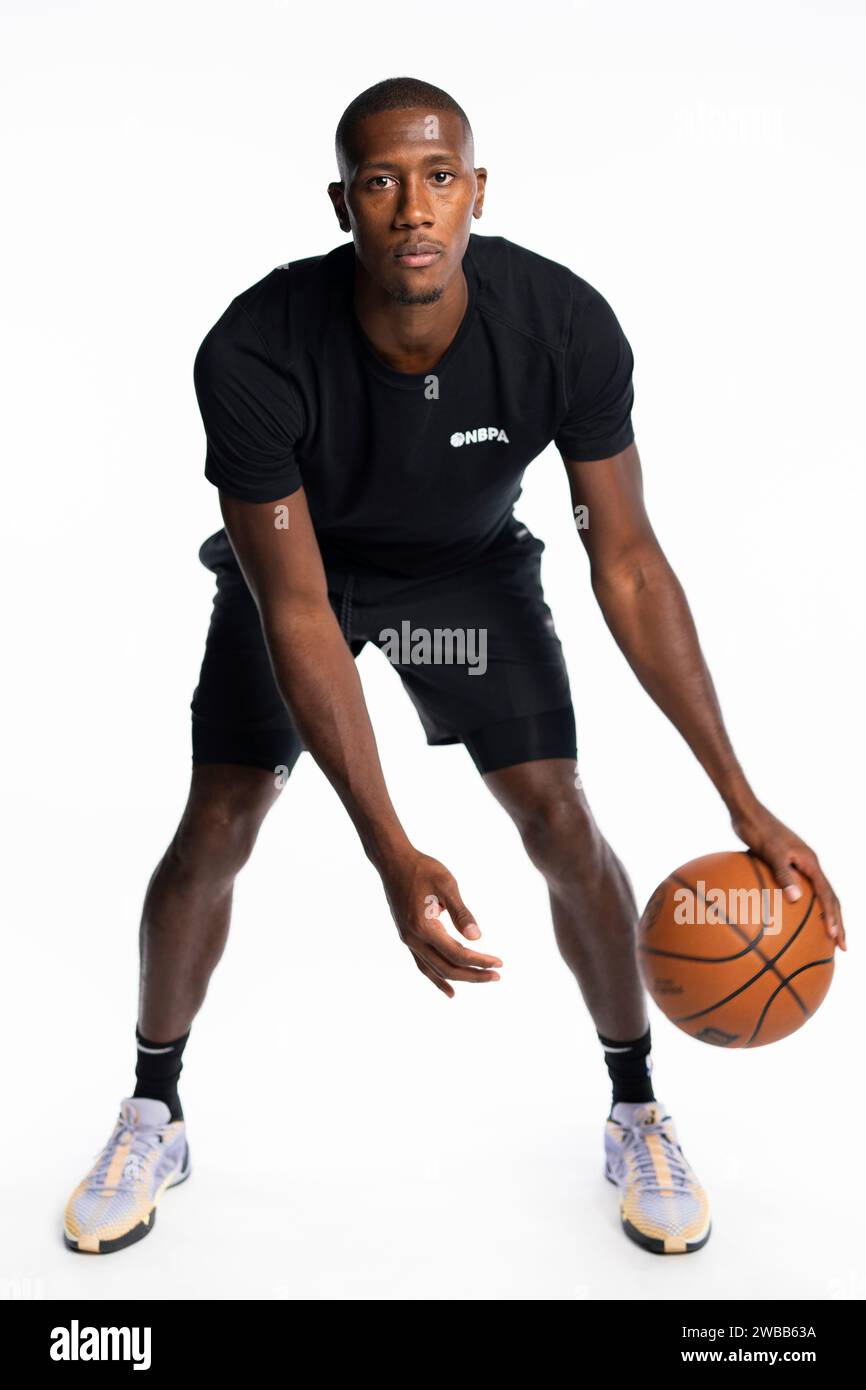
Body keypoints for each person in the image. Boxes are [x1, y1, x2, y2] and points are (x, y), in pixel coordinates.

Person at [63, 75, 845, 1259]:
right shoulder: (256, 350)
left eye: (438, 179)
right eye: (382, 181)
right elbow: (300, 607)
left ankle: (634, 1106)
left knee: (557, 815)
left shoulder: (560, 328)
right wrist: (390, 846)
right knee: (217, 820)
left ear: (476, 193)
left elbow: (625, 562)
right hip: (307, 578)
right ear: (343, 203)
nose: (412, 208)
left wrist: (740, 799)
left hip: (462, 595)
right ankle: (151, 1108)